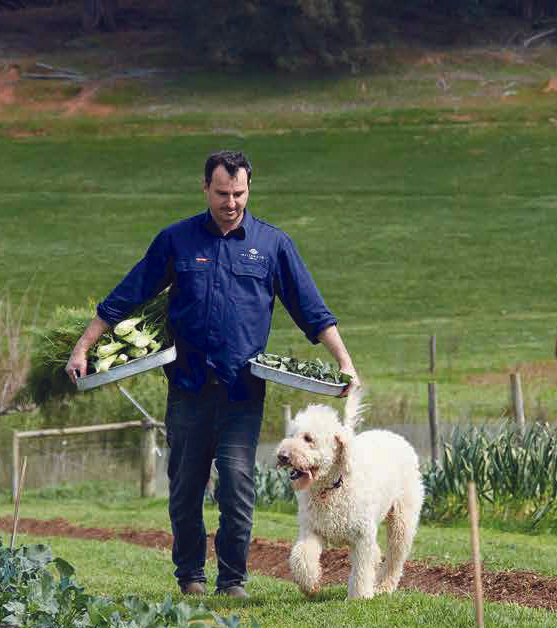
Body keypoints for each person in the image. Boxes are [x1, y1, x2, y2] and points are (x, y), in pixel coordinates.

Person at [65, 150, 356, 598]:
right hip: (188, 388)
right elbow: (129, 293)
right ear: (205, 188)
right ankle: (190, 577)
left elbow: (311, 309)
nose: (231, 202)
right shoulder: (176, 241)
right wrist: (84, 345)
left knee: (238, 483)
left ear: (248, 189)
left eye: (239, 193)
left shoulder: (272, 245)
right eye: (222, 193)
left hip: (242, 391)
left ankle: (233, 581)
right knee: (185, 486)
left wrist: (343, 361)